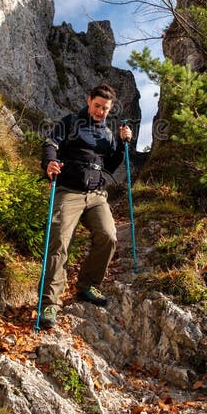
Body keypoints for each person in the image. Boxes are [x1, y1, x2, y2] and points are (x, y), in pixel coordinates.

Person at [38, 83, 133, 329]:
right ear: (89, 100)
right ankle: (50, 302)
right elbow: (51, 144)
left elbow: (111, 164)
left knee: (109, 236)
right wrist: (50, 164)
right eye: (97, 106)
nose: (101, 111)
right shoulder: (69, 122)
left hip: (96, 194)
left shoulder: (108, 135)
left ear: (110, 110)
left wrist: (124, 144)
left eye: (105, 109)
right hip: (68, 191)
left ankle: (88, 286)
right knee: (59, 239)